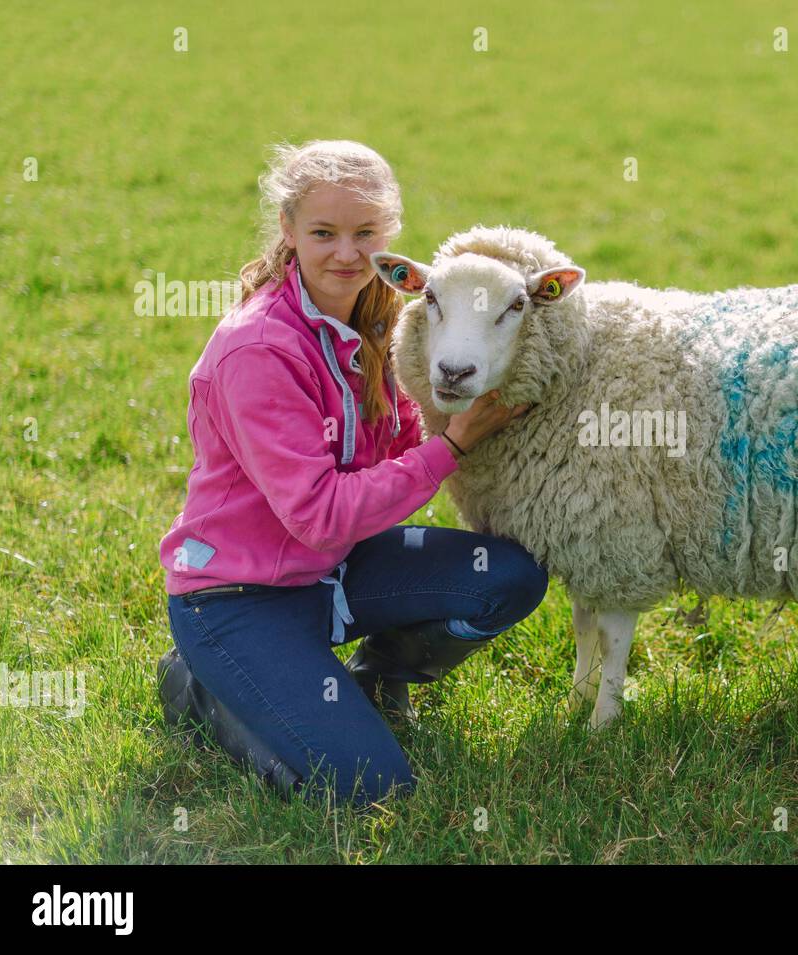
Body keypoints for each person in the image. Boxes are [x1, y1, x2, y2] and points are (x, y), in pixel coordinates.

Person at [156, 140, 547, 808]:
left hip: (335, 569)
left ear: (389, 238)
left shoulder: (383, 321)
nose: (345, 253)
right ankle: (199, 690)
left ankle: (373, 677)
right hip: (239, 595)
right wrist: (450, 448)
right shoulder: (258, 350)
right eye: (323, 233)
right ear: (288, 230)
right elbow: (319, 514)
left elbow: (395, 446)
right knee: (372, 786)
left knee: (509, 576)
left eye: (364, 234)